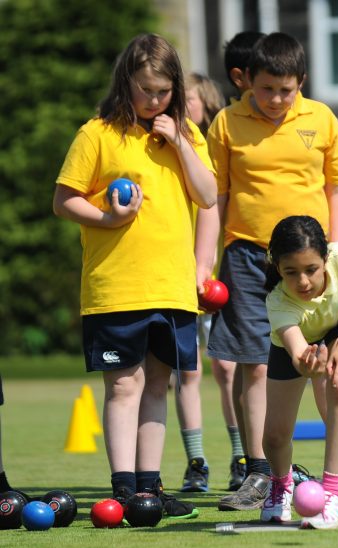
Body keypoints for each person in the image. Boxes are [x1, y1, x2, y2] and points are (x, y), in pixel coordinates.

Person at [201, 32, 338, 512]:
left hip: (316, 260)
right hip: (250, 258)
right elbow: (216, 197)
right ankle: (260, 473)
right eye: (266, 89)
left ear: (302, 83)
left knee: (333, 367)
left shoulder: (322, 118)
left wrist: (336, 250)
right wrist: (205, 262)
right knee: (257, 363)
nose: (276, 99)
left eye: (286, 90)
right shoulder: (227, 124)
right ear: (247, 81)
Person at [53, 33, 217, 518]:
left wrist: (179, 142)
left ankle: (151, 486)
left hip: (171, 284)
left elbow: (208, 196)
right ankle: (123, 489)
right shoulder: (97, 133)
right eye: (145, 89)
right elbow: (64, 199)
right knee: (124, 385)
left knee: (158, 383)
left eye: (163, 92)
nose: (153, 100)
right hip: (116, 285)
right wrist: (108, 218)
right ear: (126, 81)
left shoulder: (187, 134)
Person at [261, 216, 338, 529]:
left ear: (325, 259)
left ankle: (333, 497)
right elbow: (299, 355)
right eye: (291, 272)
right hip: (298, 344)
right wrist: (308, 365)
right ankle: (281, 486)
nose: (303, 282)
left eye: (311, 269)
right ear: (278, 268)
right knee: (274, 435)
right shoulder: (279, 301)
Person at [173, 72, 245, 492]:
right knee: (187, 372)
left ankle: (240, 456)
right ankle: (196, 462)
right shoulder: (167, 150)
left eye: (189, 100)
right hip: (180, 275)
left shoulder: (219, 152)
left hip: (221, 276)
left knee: (229, 367)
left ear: (207, 104)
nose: (181, 107)